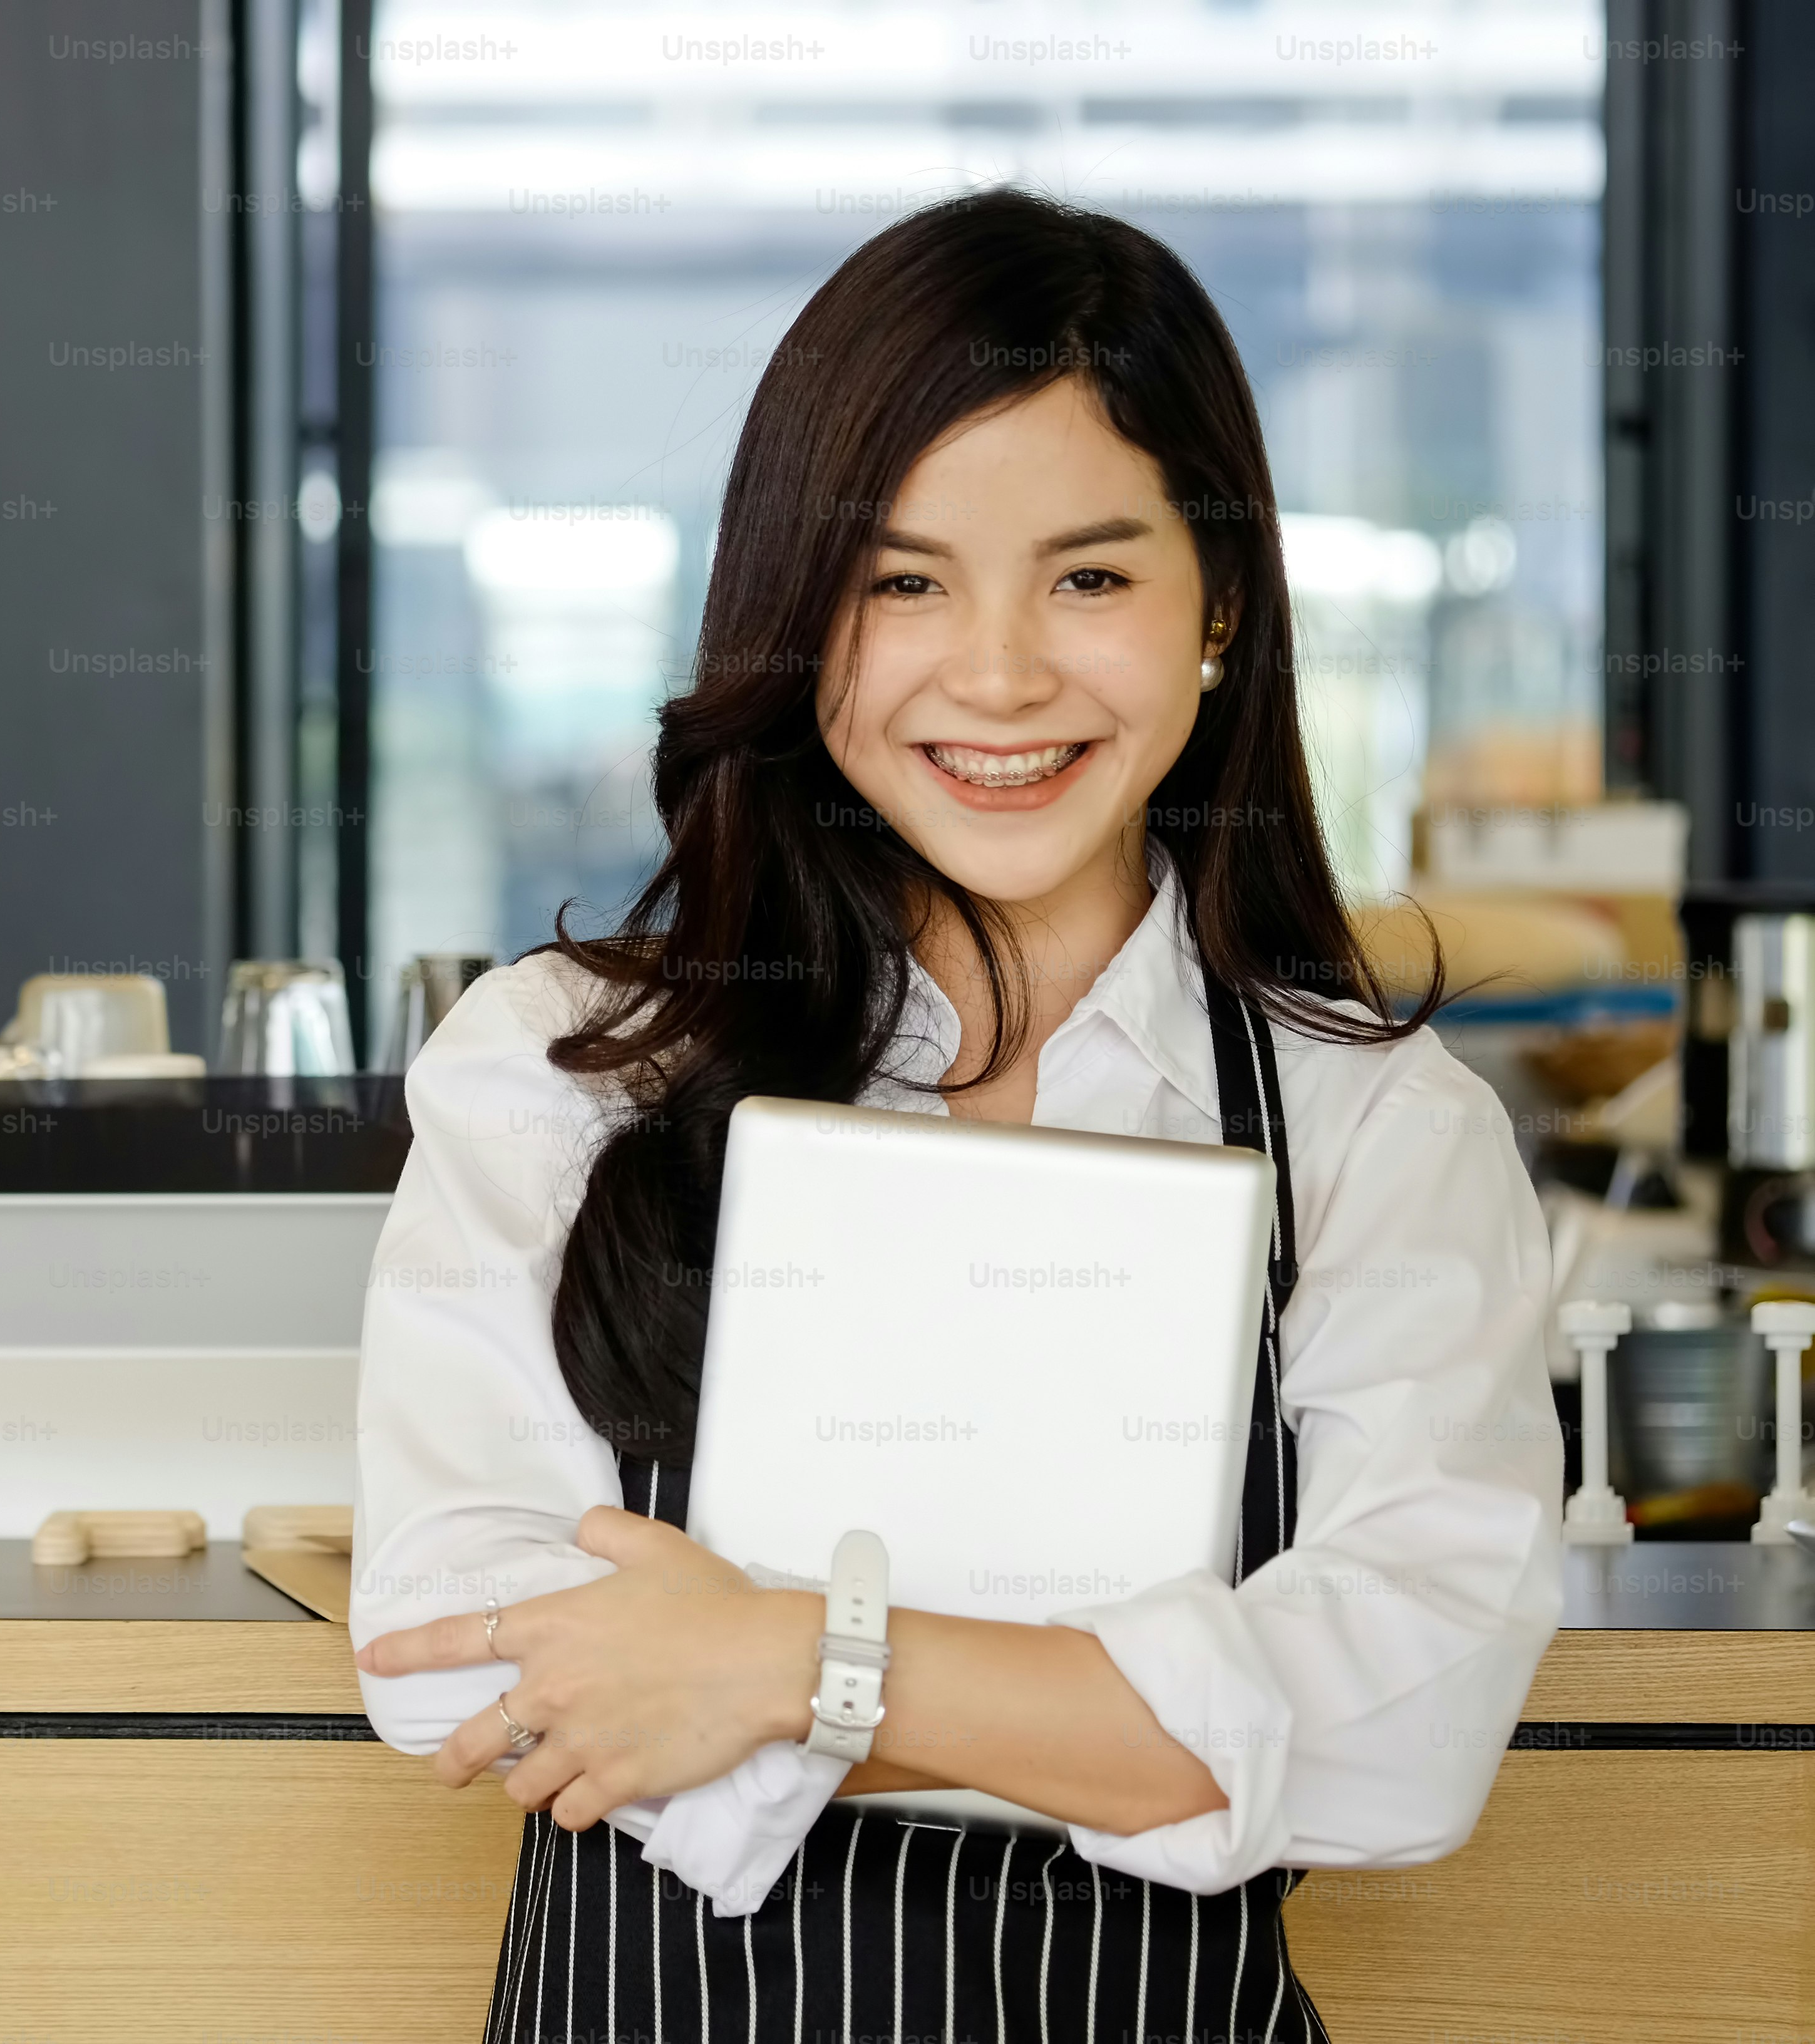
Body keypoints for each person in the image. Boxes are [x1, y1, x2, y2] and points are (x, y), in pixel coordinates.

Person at [347, 189, 1561, 2043]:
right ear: (796, 613)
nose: (997, 676)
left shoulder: (1377, 1130)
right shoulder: (563, 1070)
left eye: (1091, 579)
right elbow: (456, 1661)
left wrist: (783, 1669)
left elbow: (1405, 1735)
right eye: (903, 582)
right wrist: (1145, 1728)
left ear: (1222, 608)